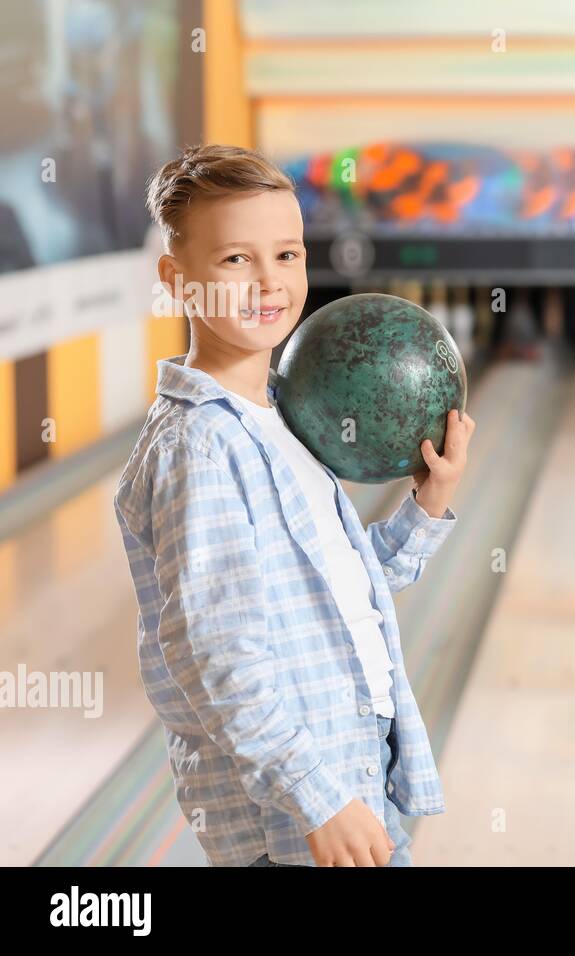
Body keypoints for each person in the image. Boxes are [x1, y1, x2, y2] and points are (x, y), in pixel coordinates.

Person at [113, 144, 476, 866]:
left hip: (351, 772)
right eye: (234, 261)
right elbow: (215, 656)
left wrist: (424, 511)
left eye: (286, 254)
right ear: (175, 278)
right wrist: (317, 793)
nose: (268, 282)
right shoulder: (198, 449)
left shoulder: (283, 416)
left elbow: (333, 590)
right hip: (293, 814)